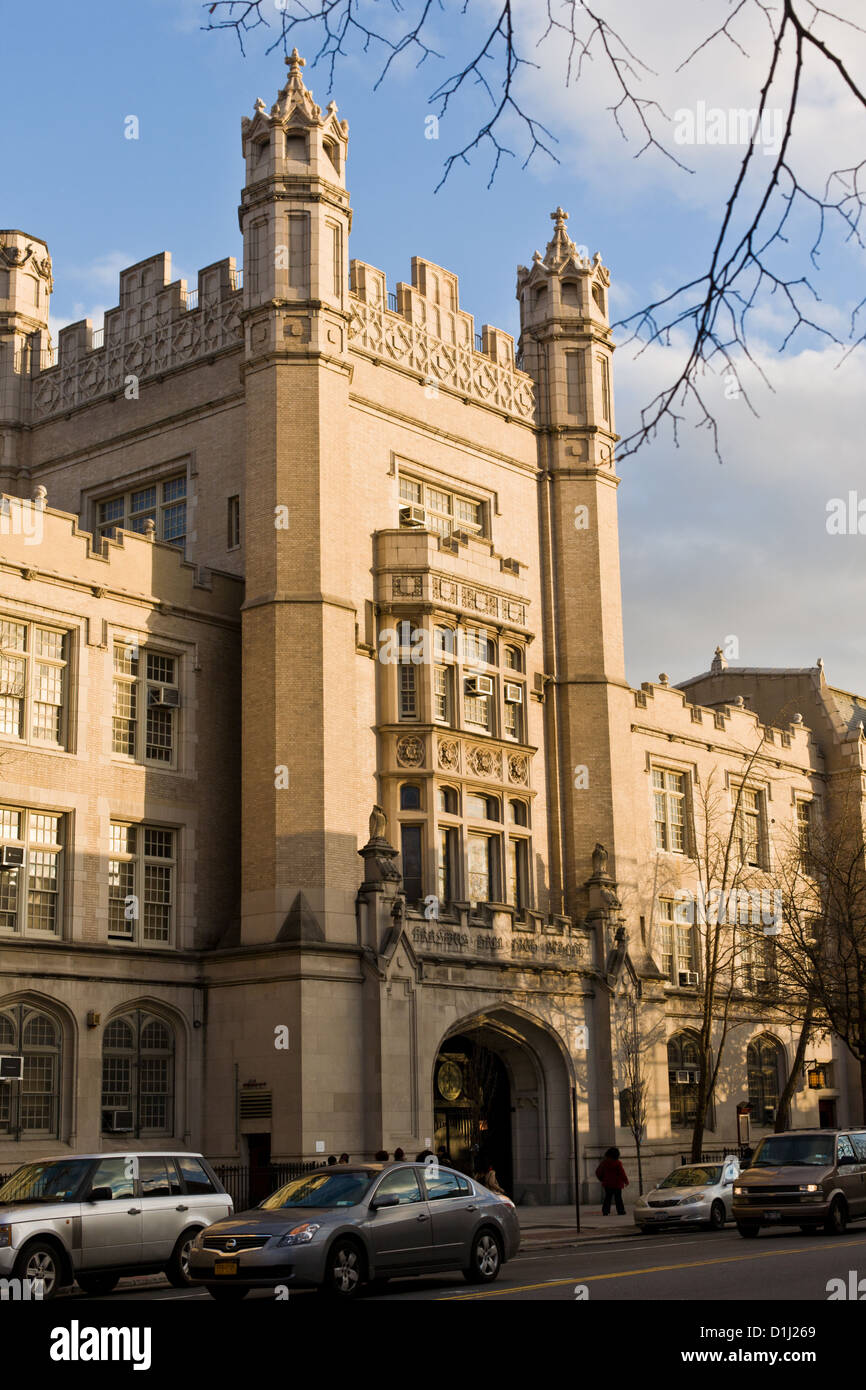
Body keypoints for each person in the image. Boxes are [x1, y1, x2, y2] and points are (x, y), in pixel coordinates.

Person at [596, 1146, 629, 1215]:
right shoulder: (618, 1163)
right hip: (617, 1184)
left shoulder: (604, 1163)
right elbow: (622, 1173)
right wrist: (626, 1181)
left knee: (608, 1198)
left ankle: (605, 1211)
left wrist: (602, 1179)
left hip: (607, 1183)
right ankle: (620, 1211)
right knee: (618, 1198)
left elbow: (598, 1172)